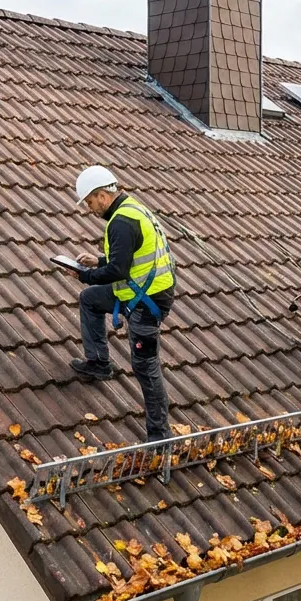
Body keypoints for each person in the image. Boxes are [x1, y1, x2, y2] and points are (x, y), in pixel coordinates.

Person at [62, 166, 177, 442]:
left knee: (145, 366)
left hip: (146, 301)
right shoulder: (132, 209)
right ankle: (99, 363)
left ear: (103, 196)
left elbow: (118, 271)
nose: (90, 209)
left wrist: (84, 275)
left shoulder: (121, 222)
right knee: (90, 300)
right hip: (139, 291)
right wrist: (98, 261)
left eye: (90, 202)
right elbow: (128, 256)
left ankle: (160, 436)